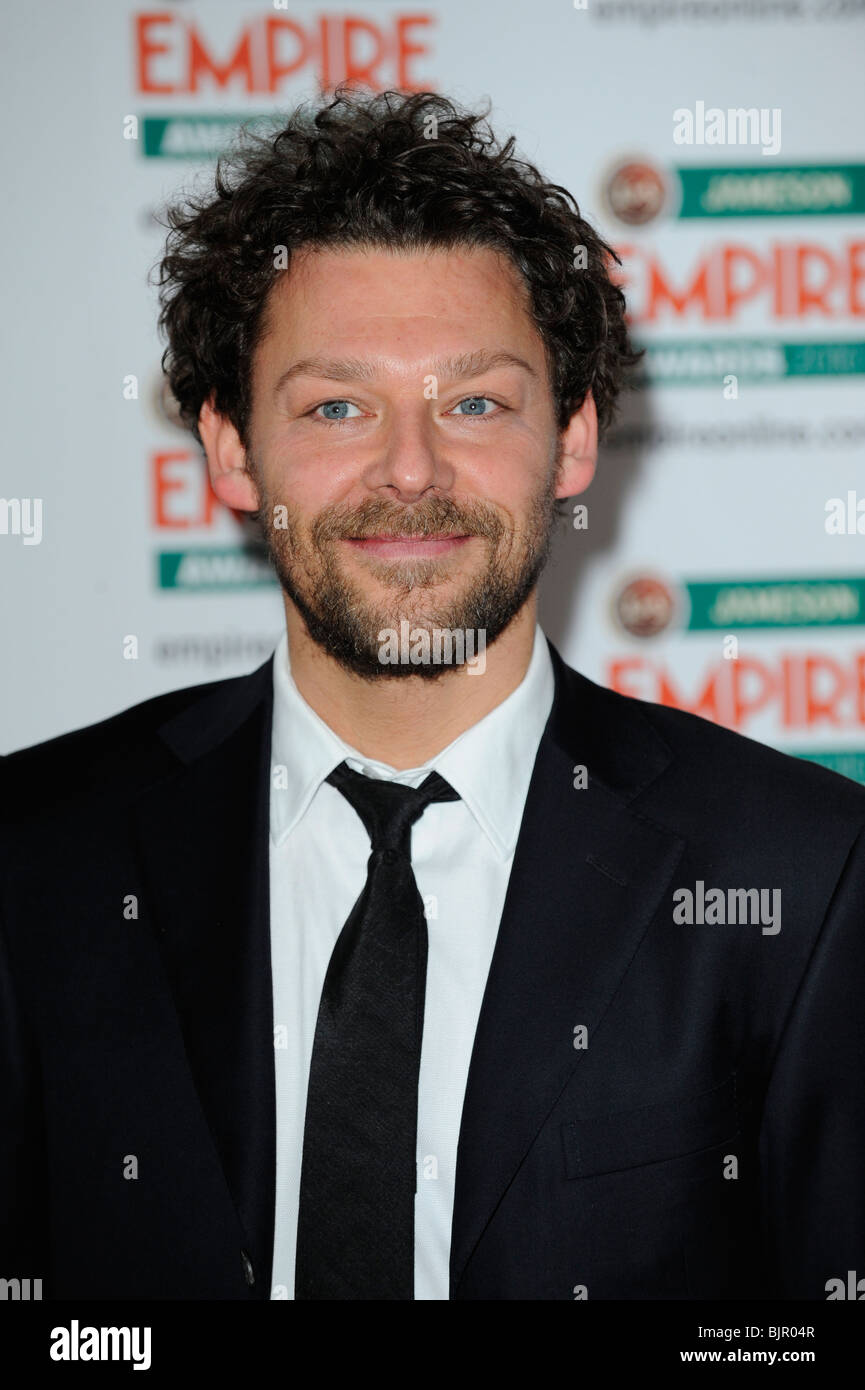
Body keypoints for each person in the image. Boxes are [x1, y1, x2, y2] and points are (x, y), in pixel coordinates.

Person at [2, 87, 862, 1302]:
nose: (410, 469)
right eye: (336, 405)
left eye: (474, 403)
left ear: (569, 441)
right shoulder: (37, 859)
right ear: (233, 451)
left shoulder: (801, 874)